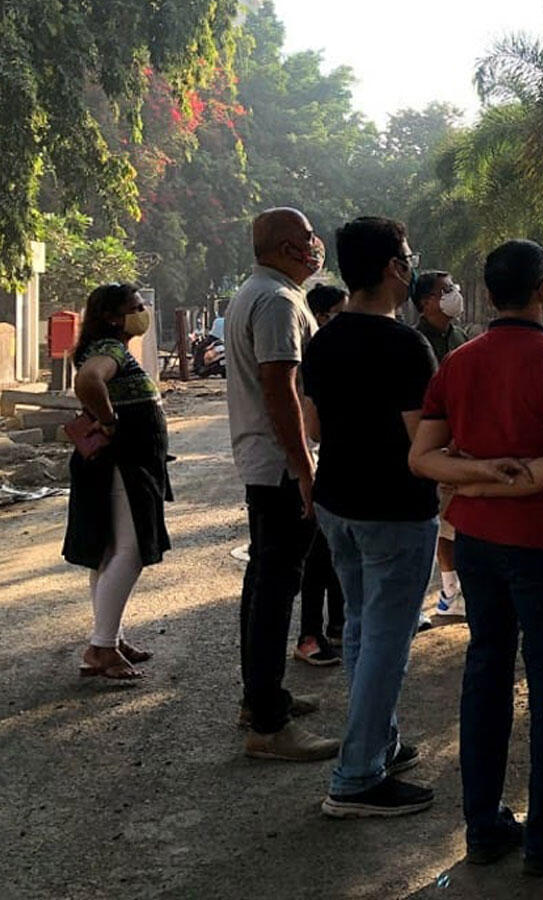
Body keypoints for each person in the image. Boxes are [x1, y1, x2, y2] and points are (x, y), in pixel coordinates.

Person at [409, 239, 543, 876]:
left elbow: (424, 458)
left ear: (488, 295)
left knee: (486, 673)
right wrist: (505, 474)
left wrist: (475, 478)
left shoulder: (459, 362)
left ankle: (485, 825)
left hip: (478, 543)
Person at [302, 217, 439, 818]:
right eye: (407, 257)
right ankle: (356, 776)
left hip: (338, 502)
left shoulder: (322, 340)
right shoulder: (406, 345)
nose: (410, 265)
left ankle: (377, 742)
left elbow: (313, 427)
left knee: (361, 625)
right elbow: (423, 444)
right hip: (395, 509)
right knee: (386, 638)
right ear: (392, 268)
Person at [224, 207, 340, 761]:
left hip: (268, 463)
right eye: (310, 239)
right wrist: (304, 467)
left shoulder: (264, 292)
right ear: (291, 246)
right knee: (276, 587)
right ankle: (268, 726)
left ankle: (261, 698)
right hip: (278, 467)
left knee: (265, 582)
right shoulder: (276, 301)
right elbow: (281, 390)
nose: (317, 247)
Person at [62, 284, 172, 681]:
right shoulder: (108, 352)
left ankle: (110, 636)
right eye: (135, 307)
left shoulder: (110, 350)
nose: (141, 313)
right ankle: (101, 648)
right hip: (123, 466)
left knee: (109, 552)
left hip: (121, 465)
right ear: (111, 317)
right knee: (131, 551)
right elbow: (89, 381)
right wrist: (109, 421)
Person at [411, 270, 470, 627]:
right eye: (446, 290)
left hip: (460, 445)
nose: (454, 294)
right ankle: (418, 601)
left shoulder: (461, 337)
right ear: (426, 302)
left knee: (452, 525)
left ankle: (450, 594)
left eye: (454, 287)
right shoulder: (414, 342)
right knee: (423, 527)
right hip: (427, 448)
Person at [295, 284, 348, 667]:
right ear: (324, 315)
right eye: (339, 312)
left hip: (325, 463)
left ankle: (337, 624)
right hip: (314, 465)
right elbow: (312, 428)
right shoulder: (314, 354)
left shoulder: (326, 349)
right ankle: (309, 634)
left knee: (332, 556)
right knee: (317, 557)